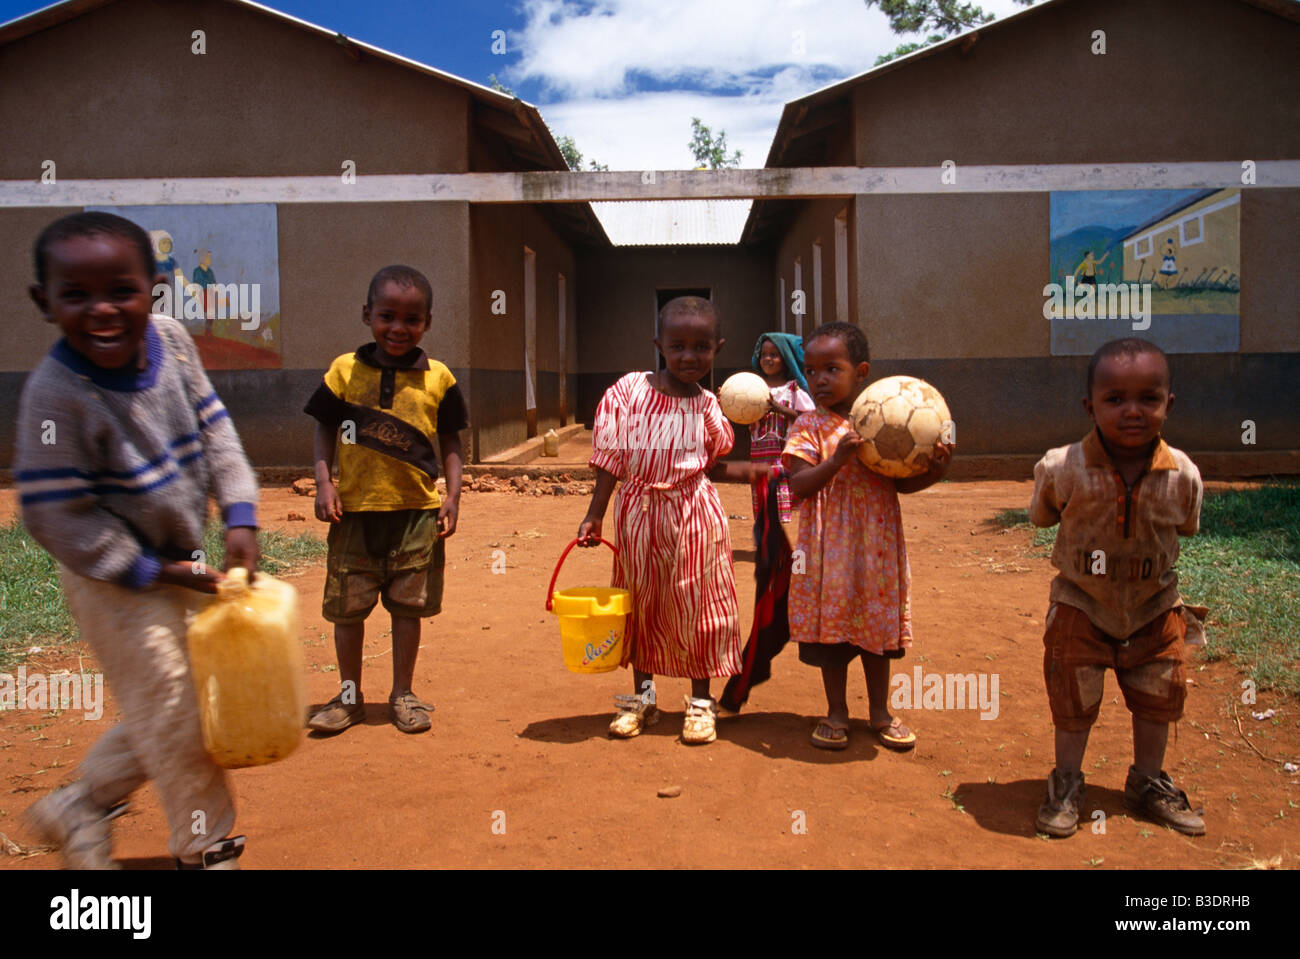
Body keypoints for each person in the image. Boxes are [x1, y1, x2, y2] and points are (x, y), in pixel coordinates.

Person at [16, 211, 260, 869]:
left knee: (191, 703)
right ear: (45, 301)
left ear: (154, 286)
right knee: (178, 708)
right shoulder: (55, 396)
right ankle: (208, 846)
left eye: (120, 289)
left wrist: (239, 510)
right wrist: (152, 569)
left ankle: (83, 803)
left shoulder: (175, 342)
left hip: (186, 561)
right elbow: (54, 516)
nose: (102, 309)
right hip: (111, 579)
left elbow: (215, 429)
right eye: (76, 294)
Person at [1030, 337, 1205, 837]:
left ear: (1169, 404)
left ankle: (1147, 781)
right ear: (1090, 407)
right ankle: (1066, 783)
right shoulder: (1063, 467)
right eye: (1115, 400)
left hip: (1155, 606)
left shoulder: (1184, 475)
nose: (1133, 411)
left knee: (1158, 695)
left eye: (1148, 399)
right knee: (1073, 696)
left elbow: (1185, 526)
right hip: (1081, 605)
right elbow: (1042, 515)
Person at [577, 296, 761, 745]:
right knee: (640, 602)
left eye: (701, 347)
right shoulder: (626, 393)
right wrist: (594, 514)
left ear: (717, 348)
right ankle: (644, 697)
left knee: (701, 602)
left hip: (695, 511)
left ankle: (701, 702)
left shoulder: (708, 408)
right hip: (638, 512)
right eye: (678, 345)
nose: (689, 357)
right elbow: (610, 460)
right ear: (658, 344)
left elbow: (715, 458)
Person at [304, 265, 466, 735]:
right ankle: (349, 697)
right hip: (354, 512)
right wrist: (323, 482)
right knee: (347, 609)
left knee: (407, 608)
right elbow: (324, 428)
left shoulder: (439, 378)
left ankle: (402, 694)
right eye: (387, 316)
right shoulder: (344, 371)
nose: (399, 328)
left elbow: (452, 441)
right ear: (367, 315)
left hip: (416, 514)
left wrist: (452, 496)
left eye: (412, 319)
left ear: (428, 323)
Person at [782, 322, 953, 751]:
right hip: (828, 548)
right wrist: (837, 458)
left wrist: (935, 469)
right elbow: (799, 485)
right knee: (833, 633)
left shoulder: (884, 423)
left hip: (875, 545)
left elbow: (900, 486)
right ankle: (836, 712)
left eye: (832, 369)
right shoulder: (808, 425)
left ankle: (880, 713)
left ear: (861, 371)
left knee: (877, 633)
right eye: (811, 370)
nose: (819, 379)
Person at [748, 332, 814, 522]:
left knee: (781, 499)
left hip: (783, 453)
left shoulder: (793, 388)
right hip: (759, 452)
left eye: (774, 355)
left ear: (785, 359)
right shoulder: (754, 387)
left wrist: (779, 409)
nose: (767, 359)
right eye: (764, 355)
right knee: (764, 502)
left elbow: (807, 417)